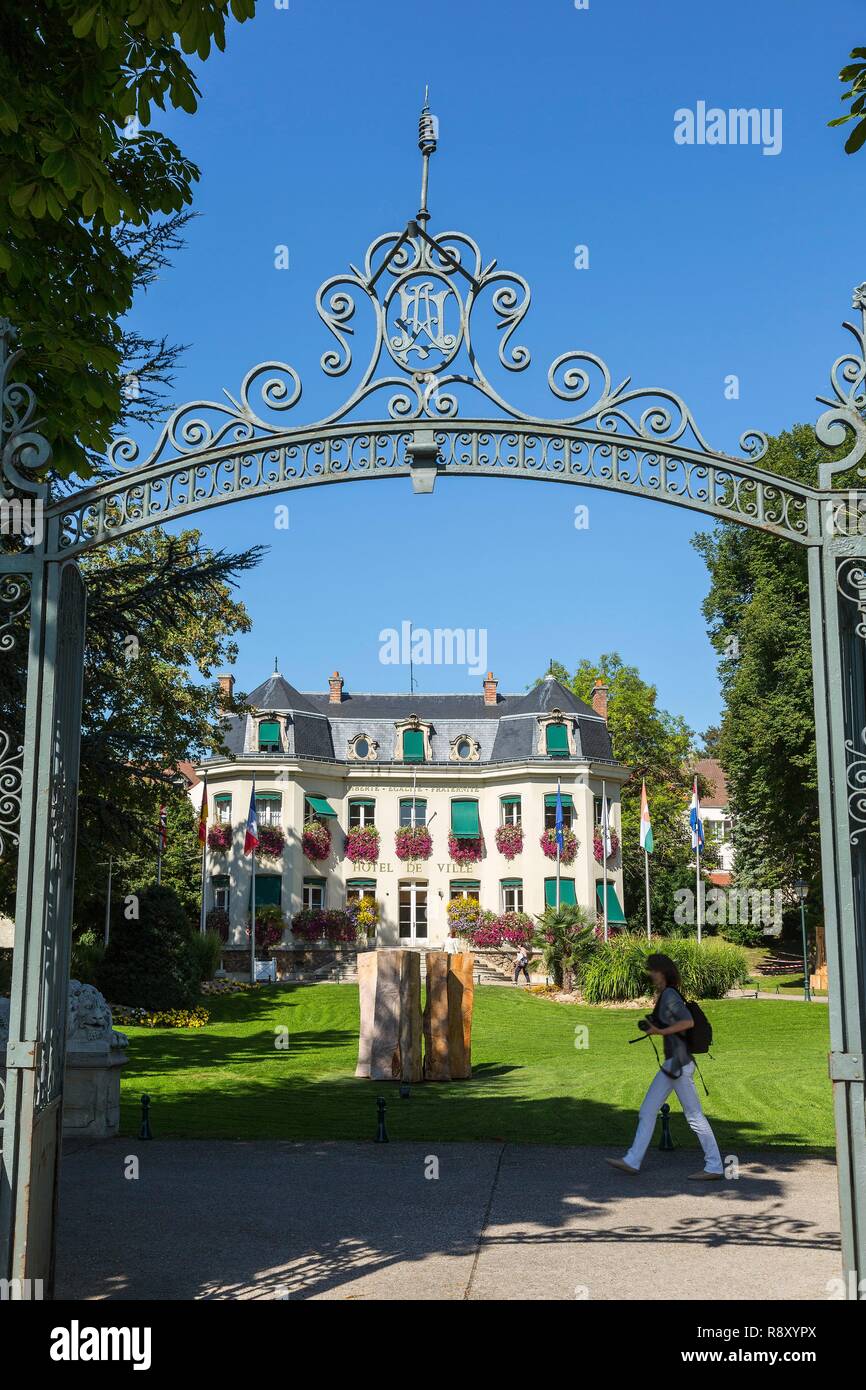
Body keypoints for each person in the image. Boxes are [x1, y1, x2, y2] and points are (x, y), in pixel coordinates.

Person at [606, 953, 723, 1181]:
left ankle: (715, 1165)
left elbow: (687, 1022)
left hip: (679, 1063)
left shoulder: (669, 994)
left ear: (662, 972)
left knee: (694, 1115)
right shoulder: (666, 995)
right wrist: (654, 1026)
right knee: (648, 1110)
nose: (649, 973)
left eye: (652, 970)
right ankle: (633, 1160)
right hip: (673, 1064)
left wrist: (659, 1031)